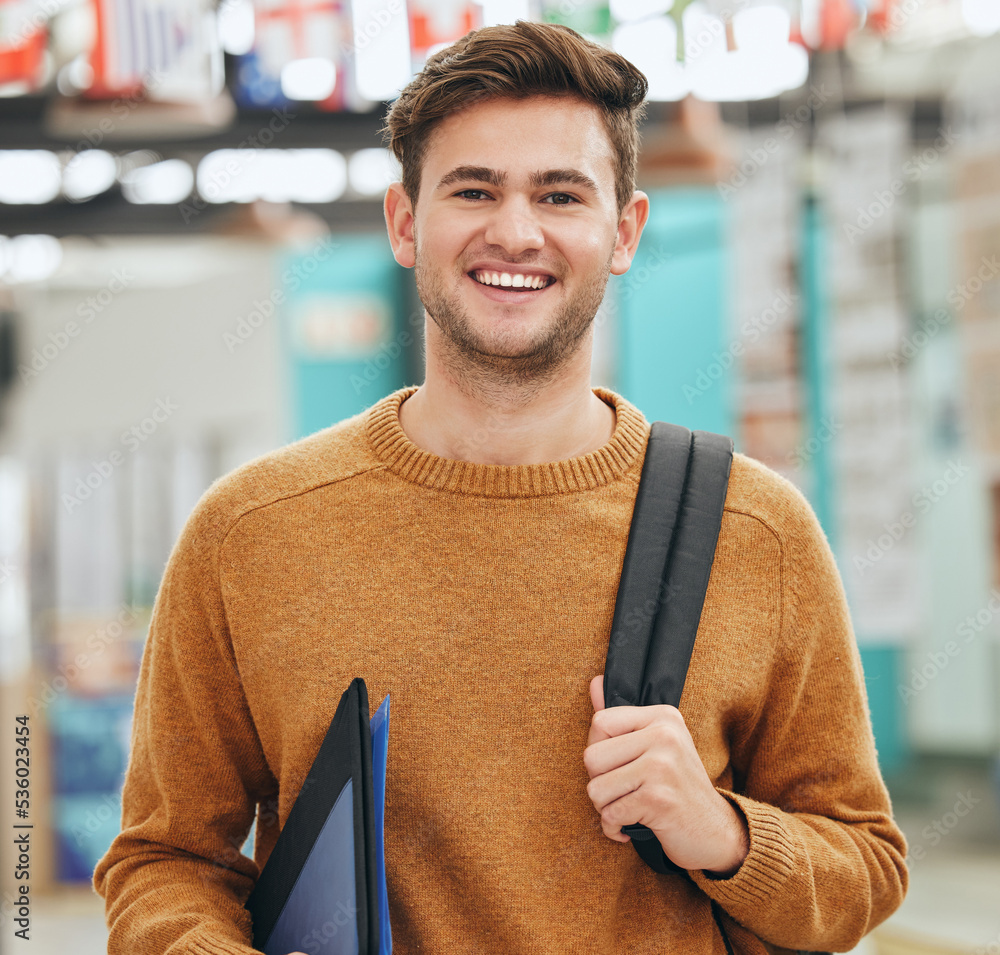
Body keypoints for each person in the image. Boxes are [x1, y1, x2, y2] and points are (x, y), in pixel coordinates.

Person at [94, 19, 908, 955]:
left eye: (561, 194)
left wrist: (723, 833)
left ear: (624, 231)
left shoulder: (754, 529)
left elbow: (864, 869)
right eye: (473, 190)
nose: (515, 231)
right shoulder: (249, 533)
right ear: (405, 222)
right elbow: (163, 858)